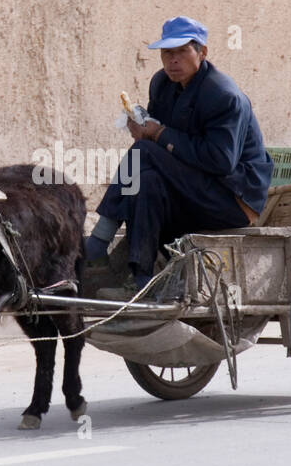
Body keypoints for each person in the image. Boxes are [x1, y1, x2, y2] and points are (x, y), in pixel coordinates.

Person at [85, 16, 273, 292]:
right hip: (192, 186)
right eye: (167, 53)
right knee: (146, 182)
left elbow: (220, 161)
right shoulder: (162, 84)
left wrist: (157, 135)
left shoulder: (223, 96)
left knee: (144, 153)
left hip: (231, 197)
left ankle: (99, 241)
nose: (173, 60)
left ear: (202, 52)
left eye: (182, 51)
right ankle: (140, 282)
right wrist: (142, 125)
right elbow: (160, 135)